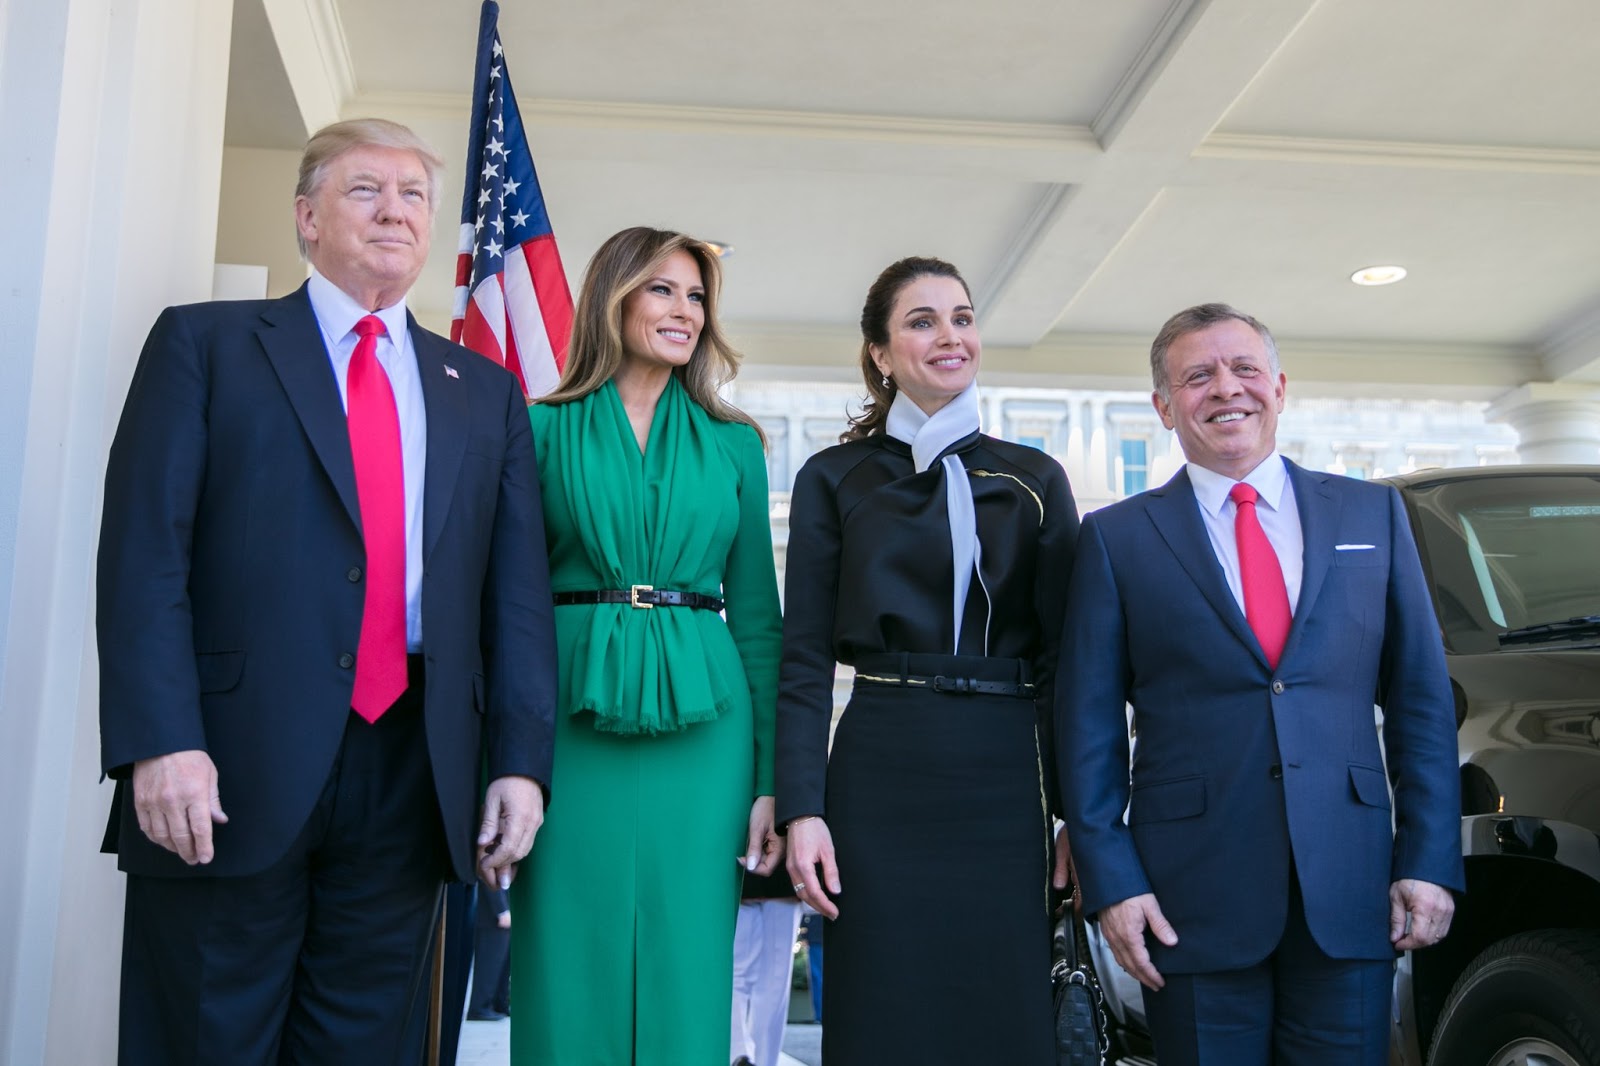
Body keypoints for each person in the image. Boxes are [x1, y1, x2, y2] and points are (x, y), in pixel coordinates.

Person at [96, 117, 557, 1065]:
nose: (395, 210)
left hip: (416, 768)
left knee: (367, 1046)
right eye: (365, 190)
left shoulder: (484, 390)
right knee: (206, 1038)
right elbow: (144, 557)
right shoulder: (205, 345)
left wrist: (519, 762)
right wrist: (160, 740)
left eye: (413, 195)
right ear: (307, 218)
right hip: (226, 762)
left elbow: (514, 597)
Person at [1058, 303, 1464, 1065]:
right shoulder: (1115, 538)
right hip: (1187, 899)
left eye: (1244, 368)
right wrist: (1112, 881)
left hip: (1352, 889)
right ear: (1164, 406)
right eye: (1198, 376)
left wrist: (1428, 860)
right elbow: (1087, 726)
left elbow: (1421, 703)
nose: (1226, 388)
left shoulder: (1373, 513)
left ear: (1278, 387)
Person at [776, 256, 1081, 1064]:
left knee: (1003, 1015)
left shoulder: (1036, 479)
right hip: (882, 766)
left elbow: (1065, 665)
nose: (950, 336)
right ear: (880, 354)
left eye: (962, 318)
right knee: (883, 1010)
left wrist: (1078, 817)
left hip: (1007, 776)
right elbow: (802, 658)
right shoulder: (833, 478)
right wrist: (803, 807)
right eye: (922, 321)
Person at [511, 226, 784, 1065]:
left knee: (686, 958)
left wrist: (771, 781)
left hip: (708, 736)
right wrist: (503, 760)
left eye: (697, 296)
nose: (685, 311)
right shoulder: (536, 428)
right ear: (613, 297)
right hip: (568, 722)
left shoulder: (736, 444)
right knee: (565, 952)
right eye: (663, 289)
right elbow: (508, 608)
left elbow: (759, 620)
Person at [730, 869, 802, 1066]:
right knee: (771, 978)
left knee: (771, 979)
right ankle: (742, 1055)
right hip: (758, 874)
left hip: (780, 877)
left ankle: (745, 1056)